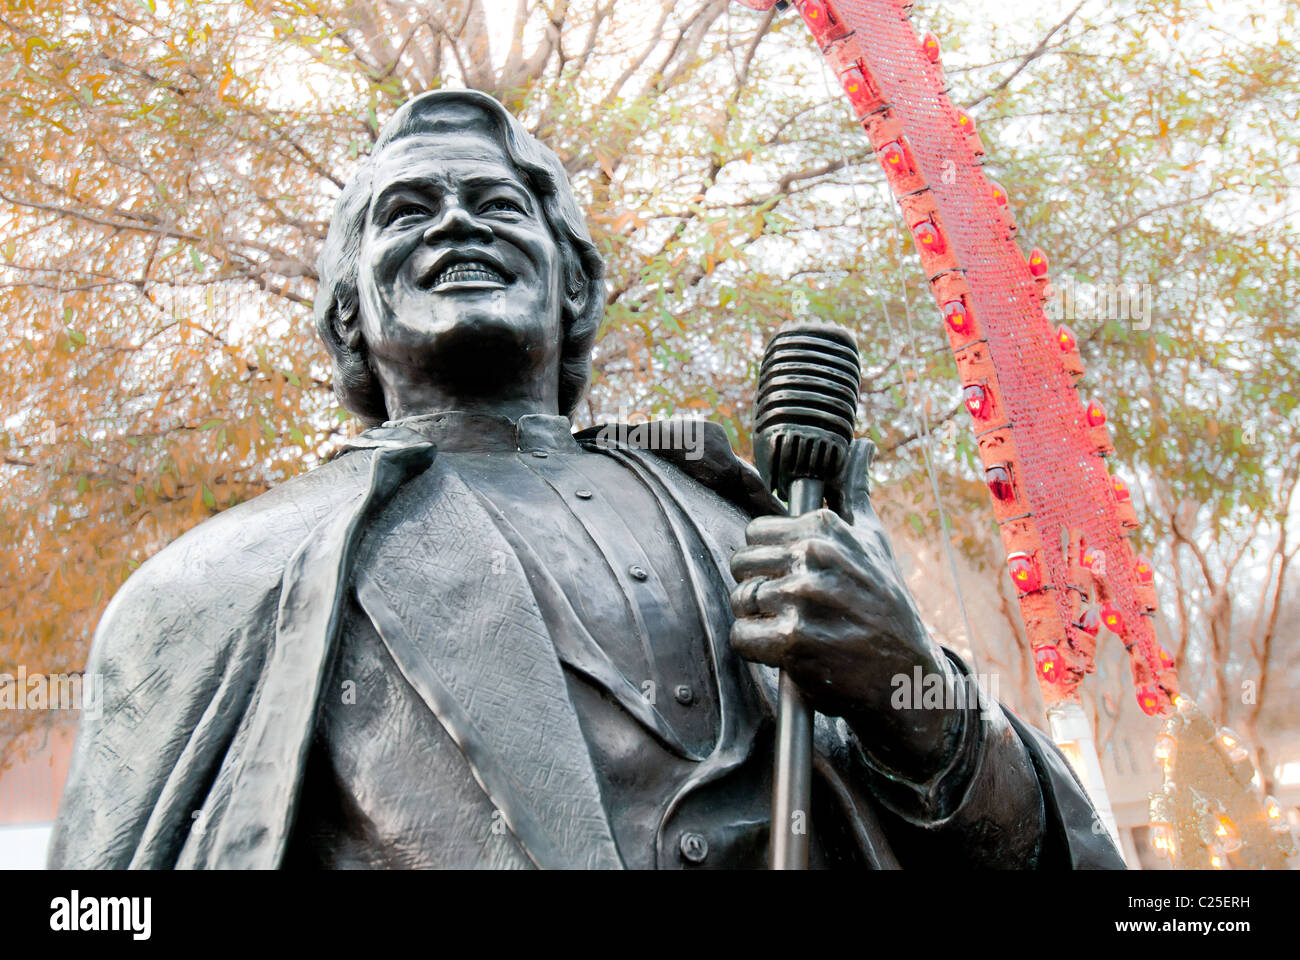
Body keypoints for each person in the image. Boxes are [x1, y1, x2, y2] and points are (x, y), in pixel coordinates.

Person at [49, 89, 1124, 869]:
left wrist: (911, 701)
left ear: (574, 292)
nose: (457, 222)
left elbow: (1066, 855)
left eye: (498, 205)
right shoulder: (216, 588)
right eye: (406, 212)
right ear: (345, 317)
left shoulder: (752, 522)